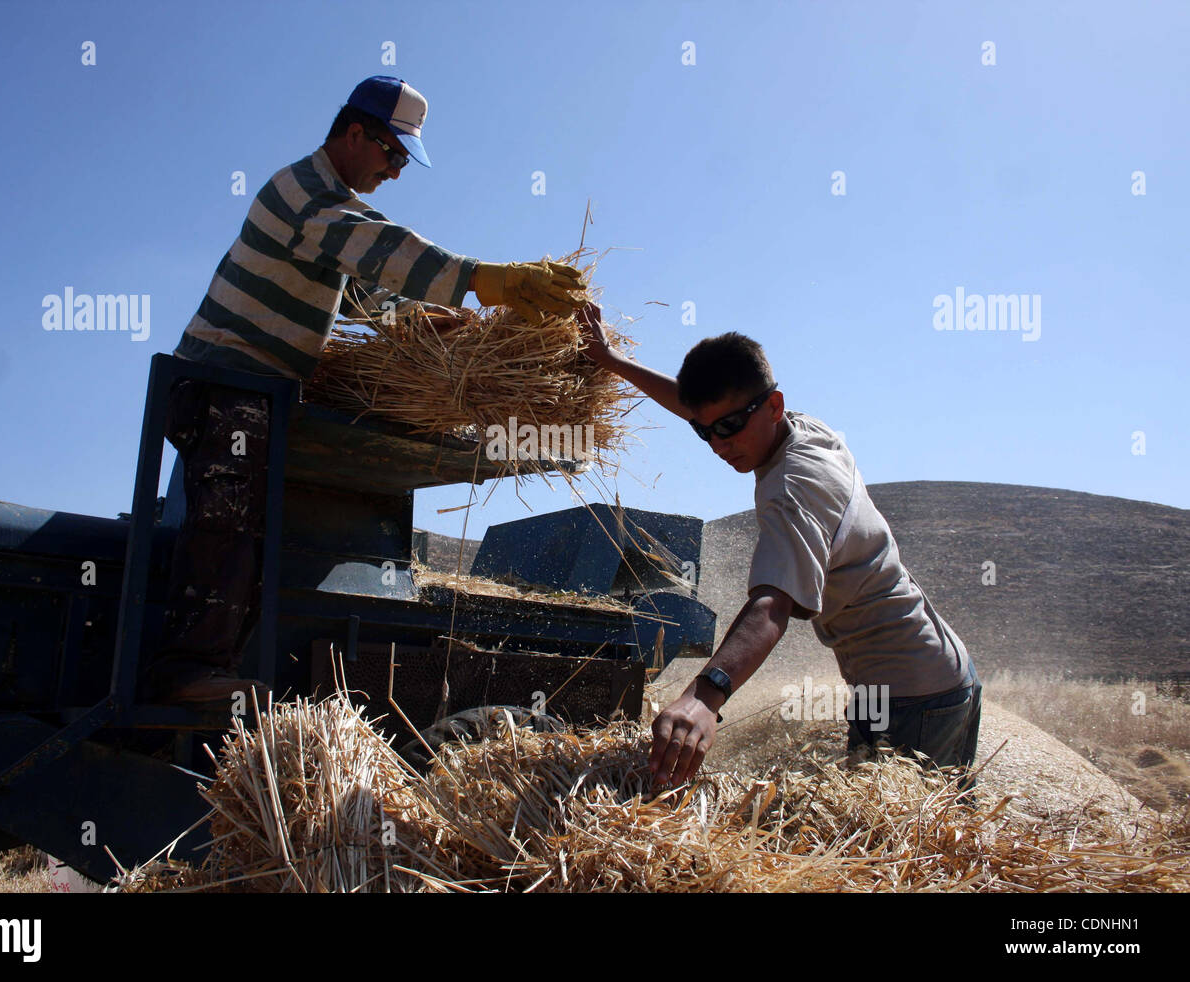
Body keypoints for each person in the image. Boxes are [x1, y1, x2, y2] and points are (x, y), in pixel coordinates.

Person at [148, 76, 585, 706]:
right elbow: (378, 248)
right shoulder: (304, 192)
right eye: (394, 154)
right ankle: (182, 673)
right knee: (228, 521)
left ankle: (213, 668)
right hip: (223, 381)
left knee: (258, 532)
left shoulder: (328, 218)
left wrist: (427, 319)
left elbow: (367, 292)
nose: (398, 171)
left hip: (257, 392)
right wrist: (484, 279)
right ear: (356, 133)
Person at [577, 303, 981, 794]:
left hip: (913, 695)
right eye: (704, 432)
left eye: (728, 429)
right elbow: (702, 406)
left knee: (906, 855)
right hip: (924, 676)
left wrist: (705, 697)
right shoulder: (803, 429)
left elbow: (772, 606)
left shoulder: (795, 489)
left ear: (773, 406)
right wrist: (611, 359)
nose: (718, 445)